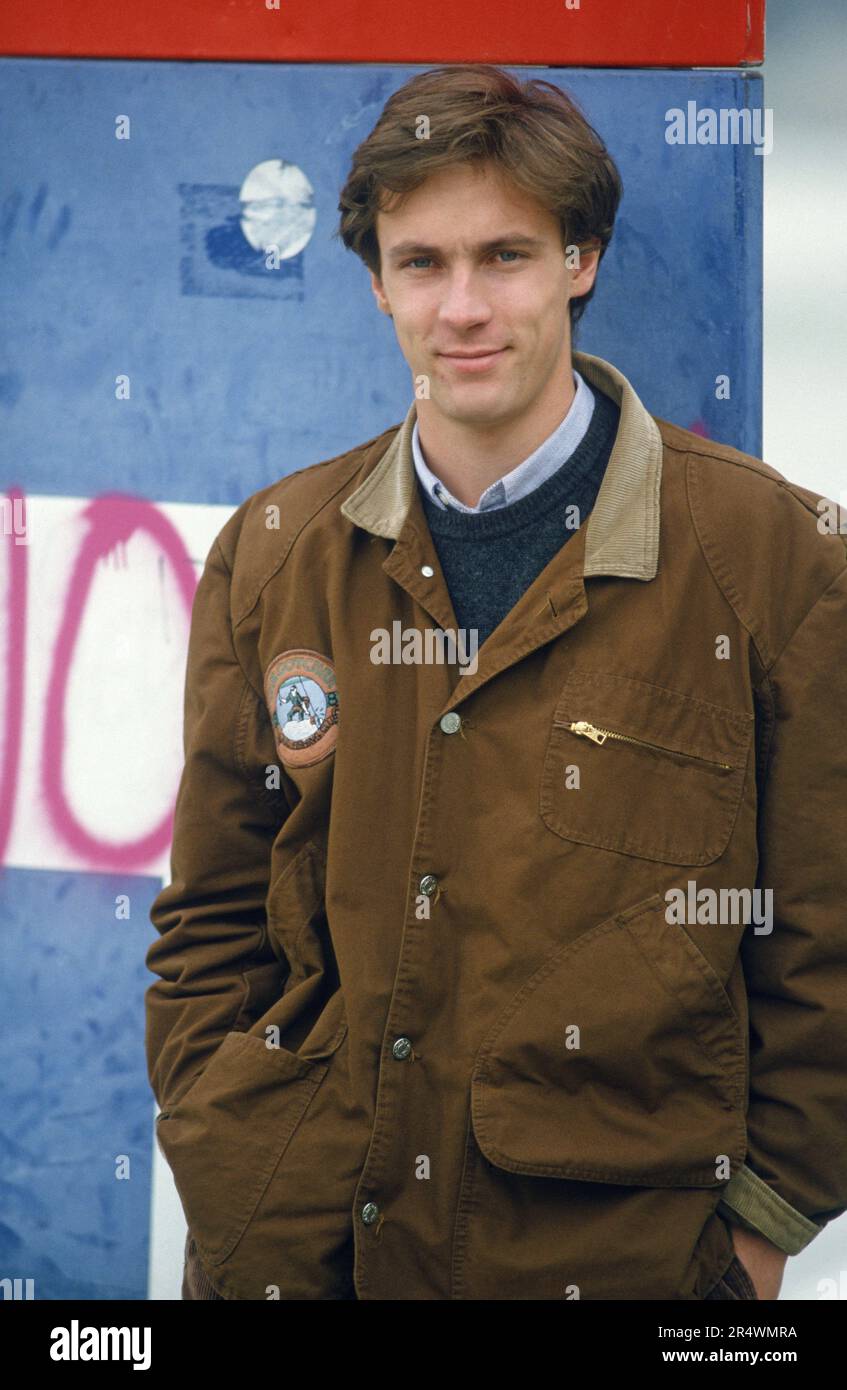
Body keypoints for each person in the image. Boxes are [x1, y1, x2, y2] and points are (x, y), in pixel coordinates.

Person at [146, 63, 847, 1301]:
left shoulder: (773, 559)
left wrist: (750, 1239)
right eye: (422, 263)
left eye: (507, 255)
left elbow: (820, 938)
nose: (462, 307)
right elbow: (211, 915)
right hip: (301, 1259)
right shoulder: (272, 555)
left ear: (579, 260)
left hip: (621, 1268)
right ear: (375, 282)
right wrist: (226, 1144)